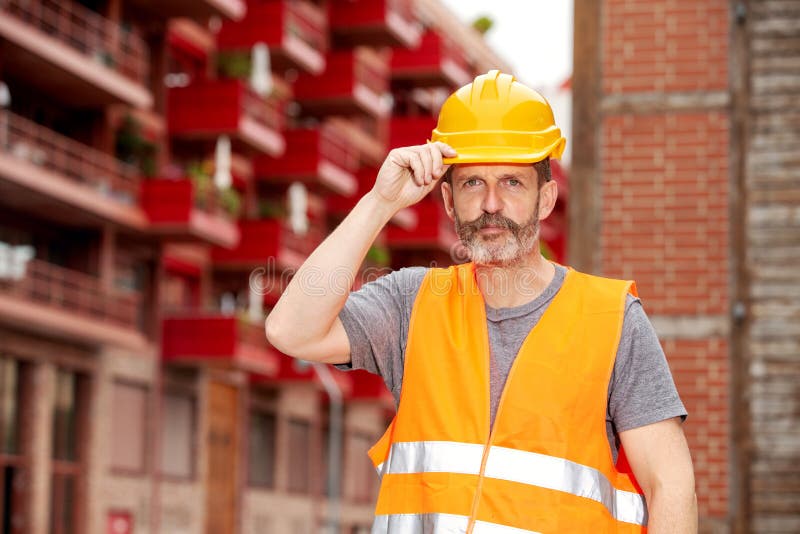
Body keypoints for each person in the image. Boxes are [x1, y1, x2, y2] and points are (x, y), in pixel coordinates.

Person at [266, 70, 697, 533]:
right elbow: (291, 330)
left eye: (512, 182)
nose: (491, 204)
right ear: (448, 201)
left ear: (546, 198)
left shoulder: (611, 319)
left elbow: (670, 487)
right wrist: (380, 201)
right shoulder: (413, 302)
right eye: (473, 184)